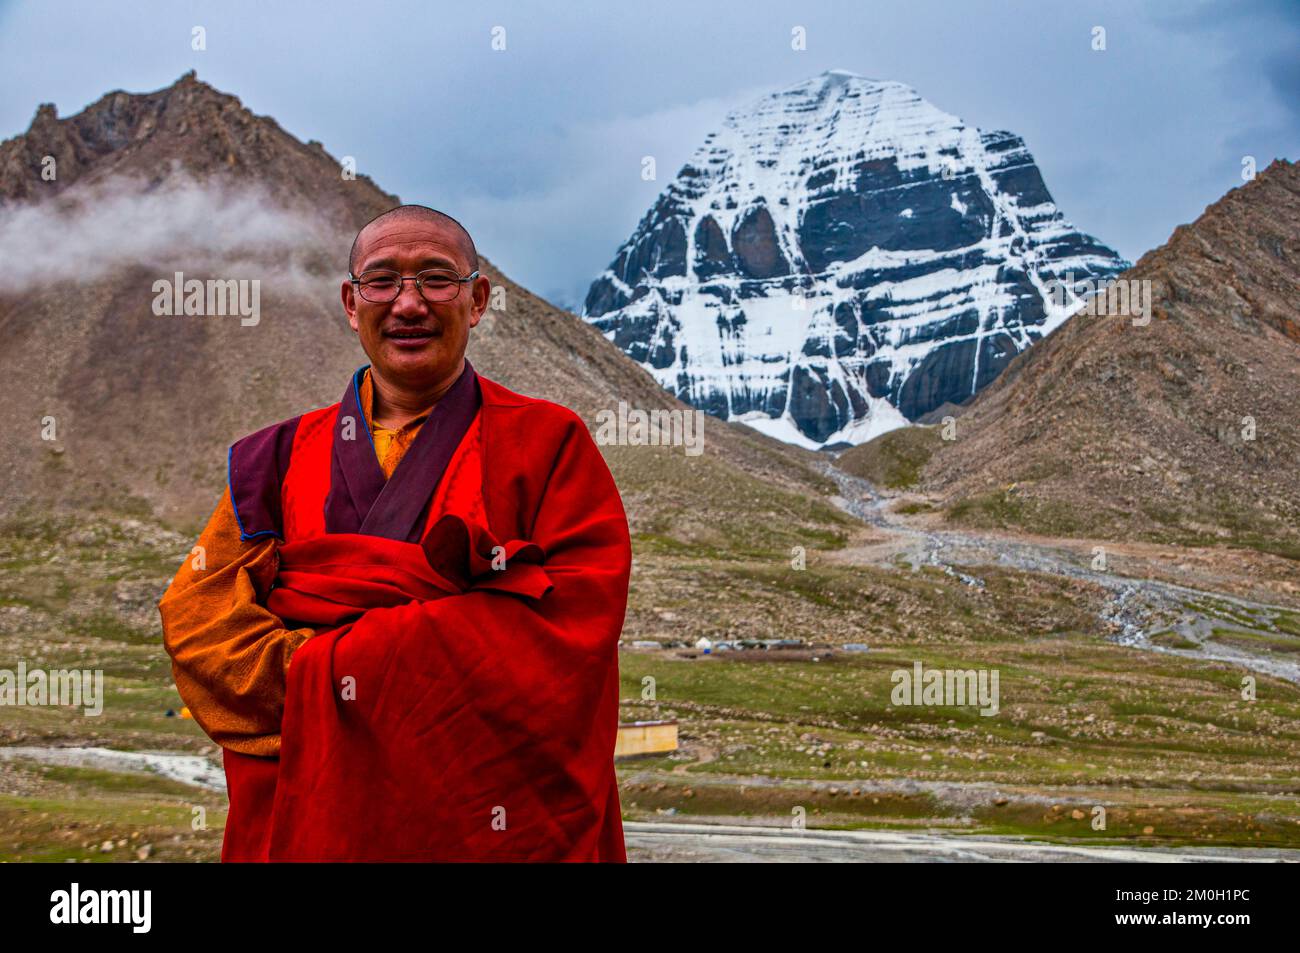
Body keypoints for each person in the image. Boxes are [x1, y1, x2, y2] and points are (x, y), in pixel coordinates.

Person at [158, 205, 631, 862]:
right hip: (311, 827)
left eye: (437, 279)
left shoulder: (548, 445)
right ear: (352, 304)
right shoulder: (276, 460)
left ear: (478, 299)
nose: (408, 304)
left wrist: (338, 663)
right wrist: (318, 678)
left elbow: (569, 636)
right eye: (382, 281)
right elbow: (199, 624)